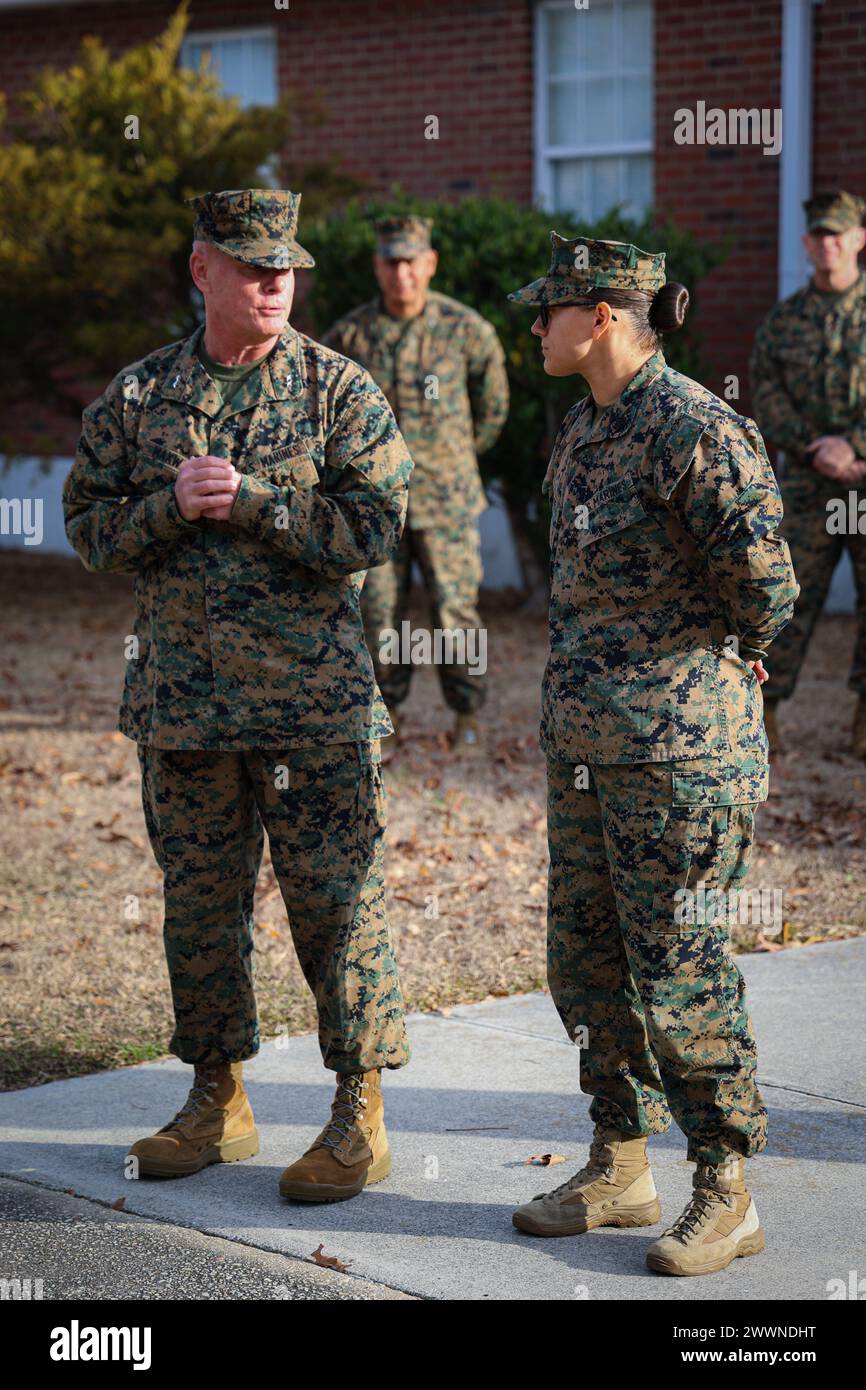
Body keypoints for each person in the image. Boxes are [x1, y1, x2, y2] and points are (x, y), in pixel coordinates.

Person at [62, 188, 413, 1204]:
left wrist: (261, 505)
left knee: (337, 910)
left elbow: (377, 525)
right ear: (201, 269)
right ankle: (217, 1097)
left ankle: (358, 1112)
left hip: (313, 710)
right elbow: (87, 528)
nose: (274, 282)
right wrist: (166, 509)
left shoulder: (338, 390)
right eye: (251, 265)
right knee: (200, 909)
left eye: (286, 266)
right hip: (183, 706)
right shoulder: (138, 399)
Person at [505, 233, 799, 1276]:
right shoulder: (582, 428)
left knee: (678, 971)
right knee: (585, 965)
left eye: (545, 309)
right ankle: (618, 1165)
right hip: (585, 746)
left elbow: (764, 588)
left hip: (679, 755)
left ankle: (724, 1188)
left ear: (598, 317)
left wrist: (728, 661)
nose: (532, 325)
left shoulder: (693, 428)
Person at [321, 215, 509, 757]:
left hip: (446, 500)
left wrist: (457, 456)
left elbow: (492, 406)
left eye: (411, 261)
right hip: (375, 503)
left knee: (455, 612)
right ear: (378, 266)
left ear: (429, 264)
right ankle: (387, 715)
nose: (401, 272)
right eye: (391, 261)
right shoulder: (350, 335)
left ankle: (467, 714)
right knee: (380, 613)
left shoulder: (465, 328)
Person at [750, 190, 866, 758]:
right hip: (805, 482)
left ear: (859, 239)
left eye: (839, 234)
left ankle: (863, 722)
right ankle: (766, 715)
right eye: (819, 235)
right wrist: (815, 448)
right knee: (785, 599)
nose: (829, 245)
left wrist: (855, 446)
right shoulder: (784, 321)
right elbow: (766, 396)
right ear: (806, 243)